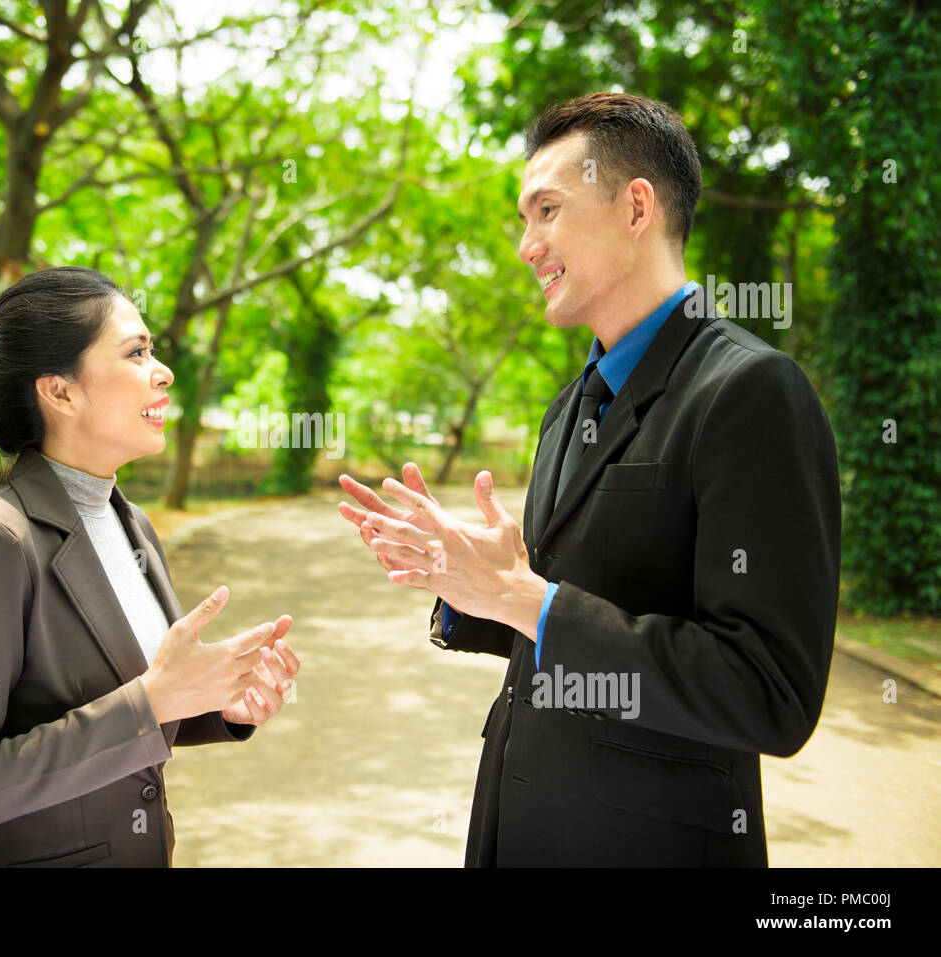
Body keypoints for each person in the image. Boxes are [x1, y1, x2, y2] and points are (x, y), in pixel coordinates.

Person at [338, 92, 840, 866]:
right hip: (517, 825)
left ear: (636, 206)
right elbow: (562, 610)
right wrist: (467, 586)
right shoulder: (568, 406)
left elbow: (768, 689)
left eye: (547, 210)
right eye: (523, 218)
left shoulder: (749, 391)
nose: (525, 245)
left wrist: (526, 598)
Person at [0, 265, 300, 867]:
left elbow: (134, 699)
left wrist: (219, 704)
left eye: (152, 349)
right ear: (60, 391)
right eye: (135, 353)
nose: (164, 372)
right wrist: (152, 701)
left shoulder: (130, 524)